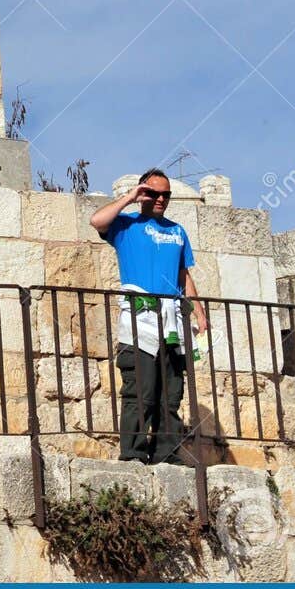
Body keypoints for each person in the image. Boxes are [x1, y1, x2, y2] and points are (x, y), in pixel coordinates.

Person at [89, 168, 209, 465]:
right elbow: (96, 221)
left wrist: (198, 308)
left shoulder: (177, 231)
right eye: (153, 193)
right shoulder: (126, 225)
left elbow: (183, 273)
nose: (160, 199)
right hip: (139, 319)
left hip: (172, 319)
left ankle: (166, 453)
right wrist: (129, 197)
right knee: (140, 389)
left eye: (165, 194)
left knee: (171, 391)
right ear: (143, 193)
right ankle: (133, 453)